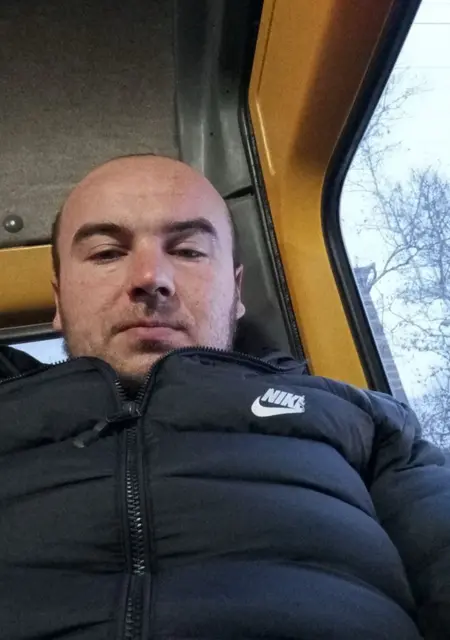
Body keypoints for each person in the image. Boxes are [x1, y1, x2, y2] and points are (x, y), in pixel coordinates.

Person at [0, 154, 449, 640]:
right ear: (59, 299)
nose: (151, 278)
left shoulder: (363, 424)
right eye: (108, 253)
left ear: (236, 293)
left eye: (189, 251)